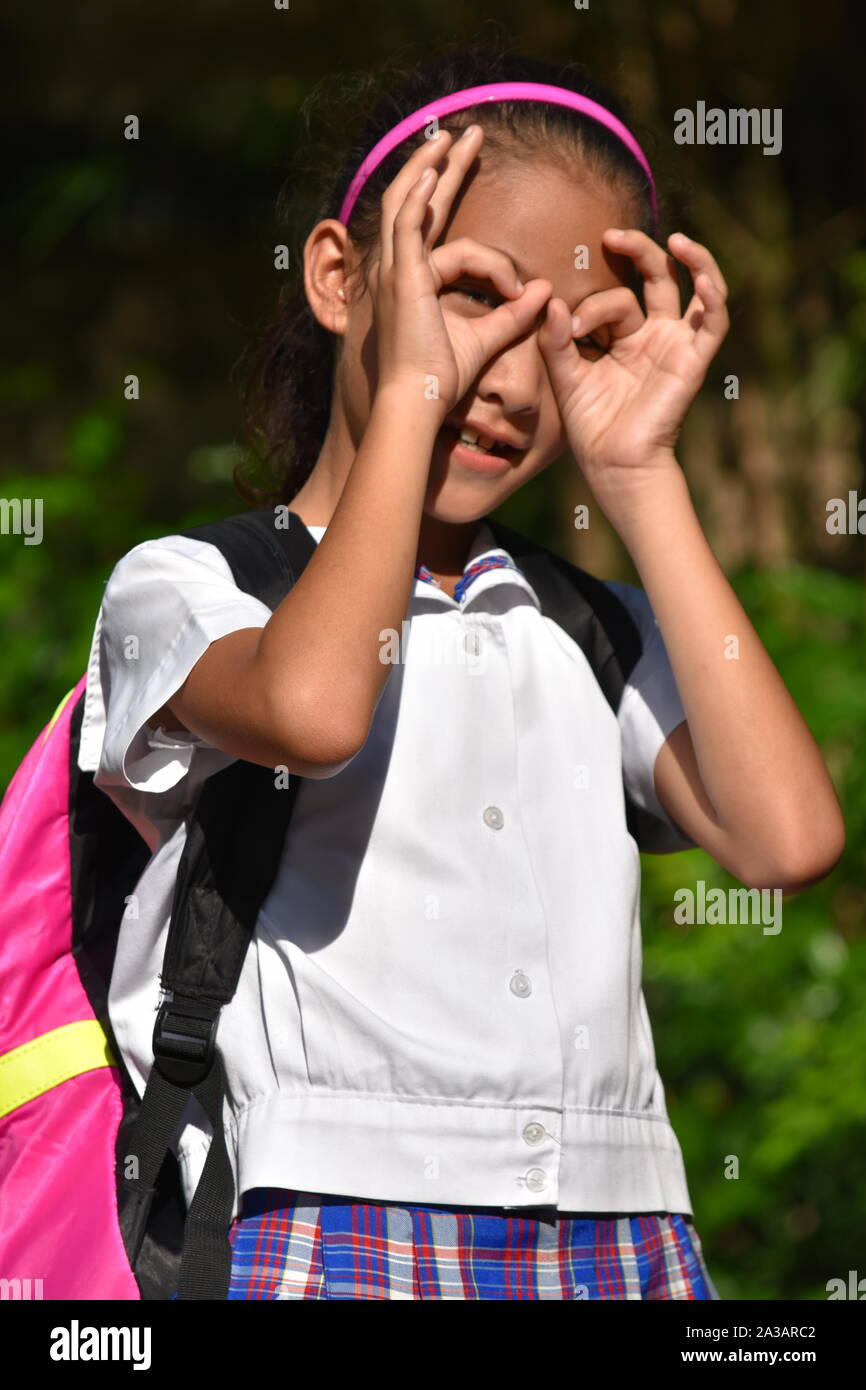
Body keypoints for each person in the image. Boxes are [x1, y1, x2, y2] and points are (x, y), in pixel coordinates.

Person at [79, 44, 845, 1300]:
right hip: (331, 1225)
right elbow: (315, 709)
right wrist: (409, 395)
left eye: (567, 333)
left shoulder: (585, 624)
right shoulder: (189, 587)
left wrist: (639, 478)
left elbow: (786, 837)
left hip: (626, 1226)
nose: (504, 371)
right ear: (340, 277)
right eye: (469, 294)